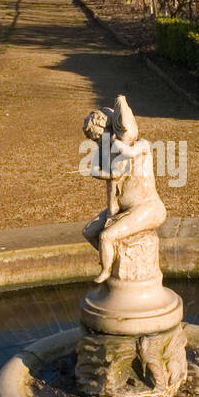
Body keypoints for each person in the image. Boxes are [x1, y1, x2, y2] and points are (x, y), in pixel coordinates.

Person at [82, 96, 166, 283]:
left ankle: (106, 270)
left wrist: (114, 150)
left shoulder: (140, 145)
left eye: (98, 138)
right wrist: (109, 172)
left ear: (112, 131)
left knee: (106, 236)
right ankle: (112, 259)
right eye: (94, 140)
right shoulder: (106, 151)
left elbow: (128, 153)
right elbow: (95, 170)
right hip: (123, 210)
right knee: (89, 232)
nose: (97, 143)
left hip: (147, 208)